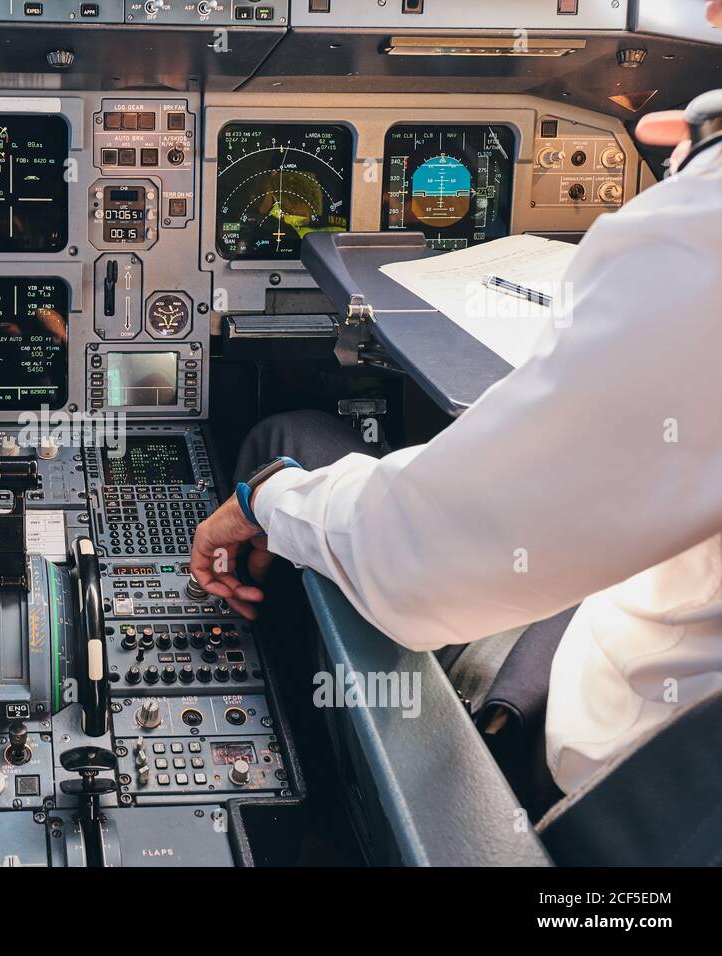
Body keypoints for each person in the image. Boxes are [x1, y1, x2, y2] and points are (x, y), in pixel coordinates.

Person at [192, 3, 722, 802]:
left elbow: (422, 563)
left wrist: (265, 498)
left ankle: (319, 792)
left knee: (290, 438)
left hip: (632, 771)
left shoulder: (698, 234)